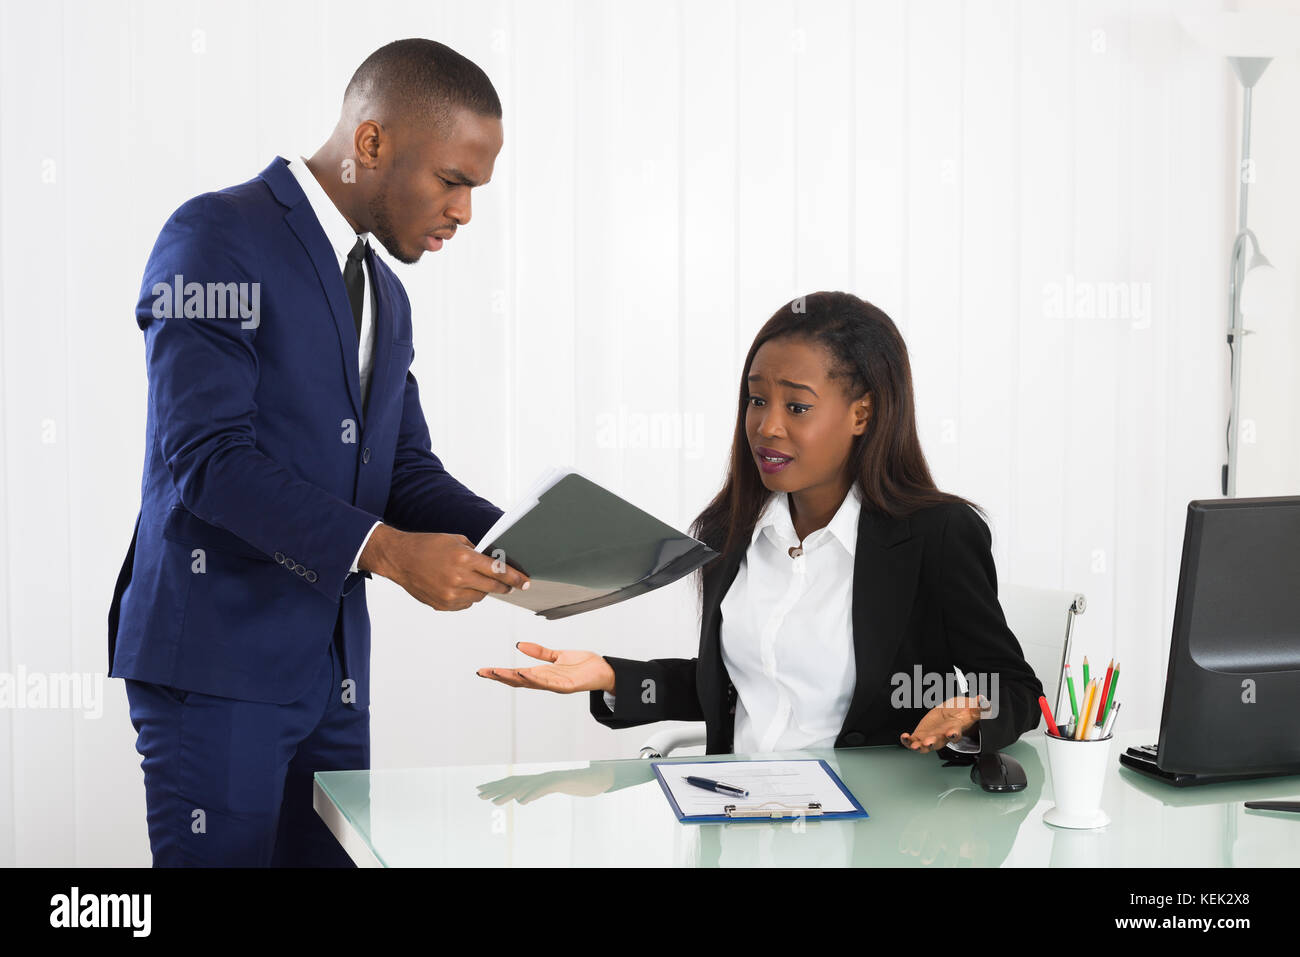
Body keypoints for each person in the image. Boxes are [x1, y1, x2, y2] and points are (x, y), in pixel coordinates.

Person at [107, 38, 529, 867]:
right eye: (453, 181)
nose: (465, 212)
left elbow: (402, 471)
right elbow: (207, 460)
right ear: (370, 144)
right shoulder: (216, 236)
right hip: (218, 667)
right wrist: (389, 552)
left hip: (332, 669)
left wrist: (527, 536)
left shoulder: (387, 293)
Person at [479, 291, 1043, 758]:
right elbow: (742, 688)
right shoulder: (730, 528)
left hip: (863, 830)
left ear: (861, 414)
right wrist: (612, 676)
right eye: (755, 400)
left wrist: (971, 709)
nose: (766, 427)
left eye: (797, 407)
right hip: (734, 813)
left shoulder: (936, 535)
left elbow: (1014, 689)